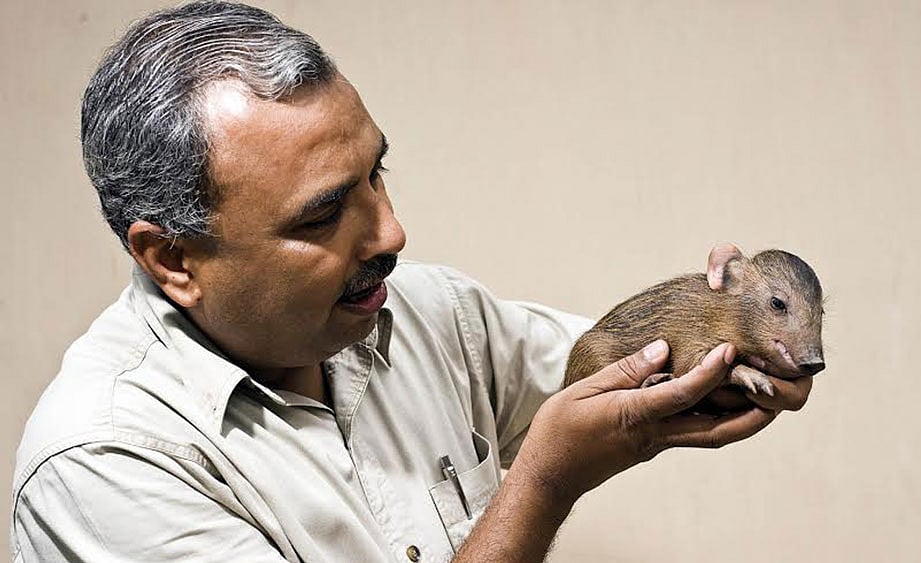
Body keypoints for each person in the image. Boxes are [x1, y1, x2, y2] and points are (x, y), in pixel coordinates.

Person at [11, 2, 811, 562]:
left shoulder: (428, 315)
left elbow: (626, 365)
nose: (392, 233)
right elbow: (564, 447)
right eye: (324, 215)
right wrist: (544, 481)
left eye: (376, 174)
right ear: (173, 259)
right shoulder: (105, 463)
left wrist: (743, 327)